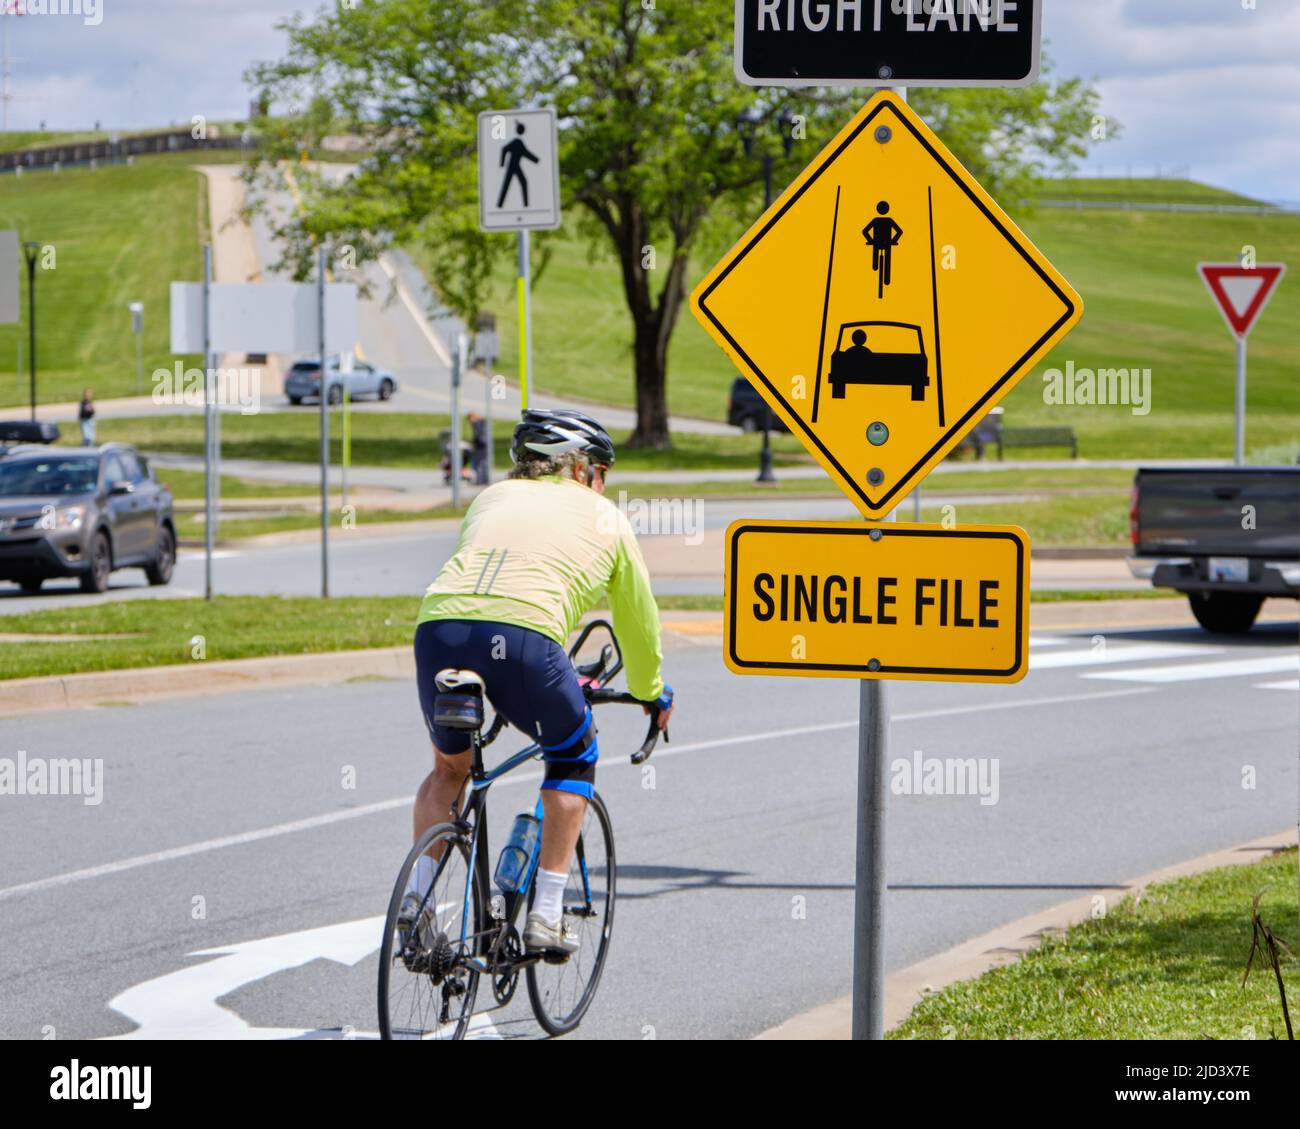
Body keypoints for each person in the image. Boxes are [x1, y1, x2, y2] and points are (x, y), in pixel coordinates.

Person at [407, 409, 674, 954]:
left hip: (438, 630)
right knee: (573, 756)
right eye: (601, 472)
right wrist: (651, 690)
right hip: (527, 640)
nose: (602, 485)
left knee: (449, 769)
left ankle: (418, 905)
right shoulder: (606, 518)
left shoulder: (490, 497)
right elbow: (638, 623)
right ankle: (547, 915)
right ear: (579, 470)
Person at [468, 411, 489, 485]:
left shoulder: (477, 424)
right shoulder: (482, 422)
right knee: (483, 463)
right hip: (484, 445)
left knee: (477, 464)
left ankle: (480, 480)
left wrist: (473, 443)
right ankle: (484, 479)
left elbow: (478, 436)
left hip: (480, 446)